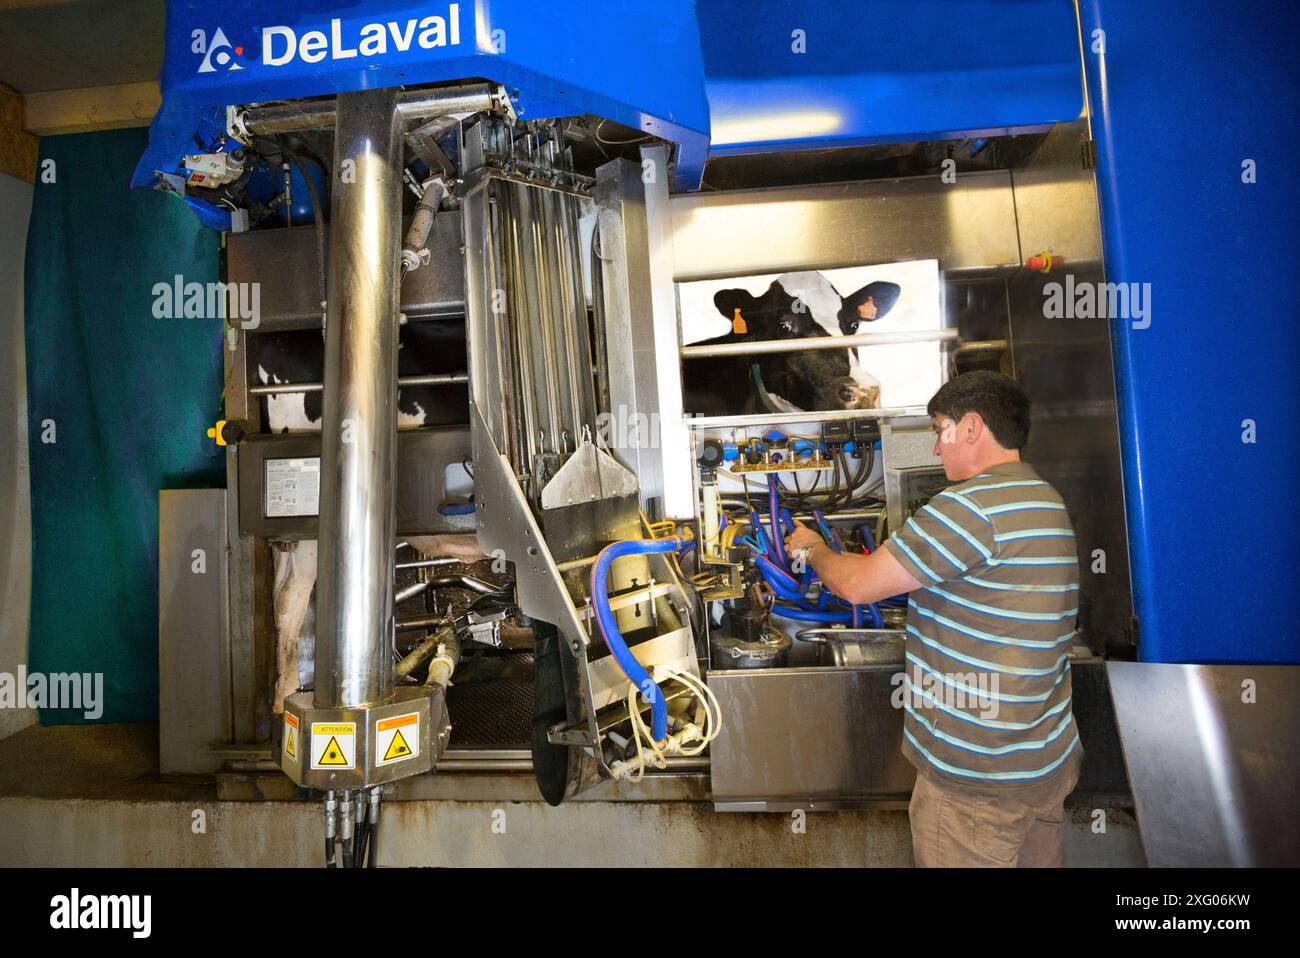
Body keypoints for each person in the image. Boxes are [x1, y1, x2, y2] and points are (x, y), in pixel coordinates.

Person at [783, 370, 1083, 867]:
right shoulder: (1042, 497)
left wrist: (812, 549)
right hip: (1043, 760)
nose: (938, 449)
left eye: (940, 429)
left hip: (976, 780)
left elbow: (857, 585)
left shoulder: (968, 507)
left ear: (971, 427)